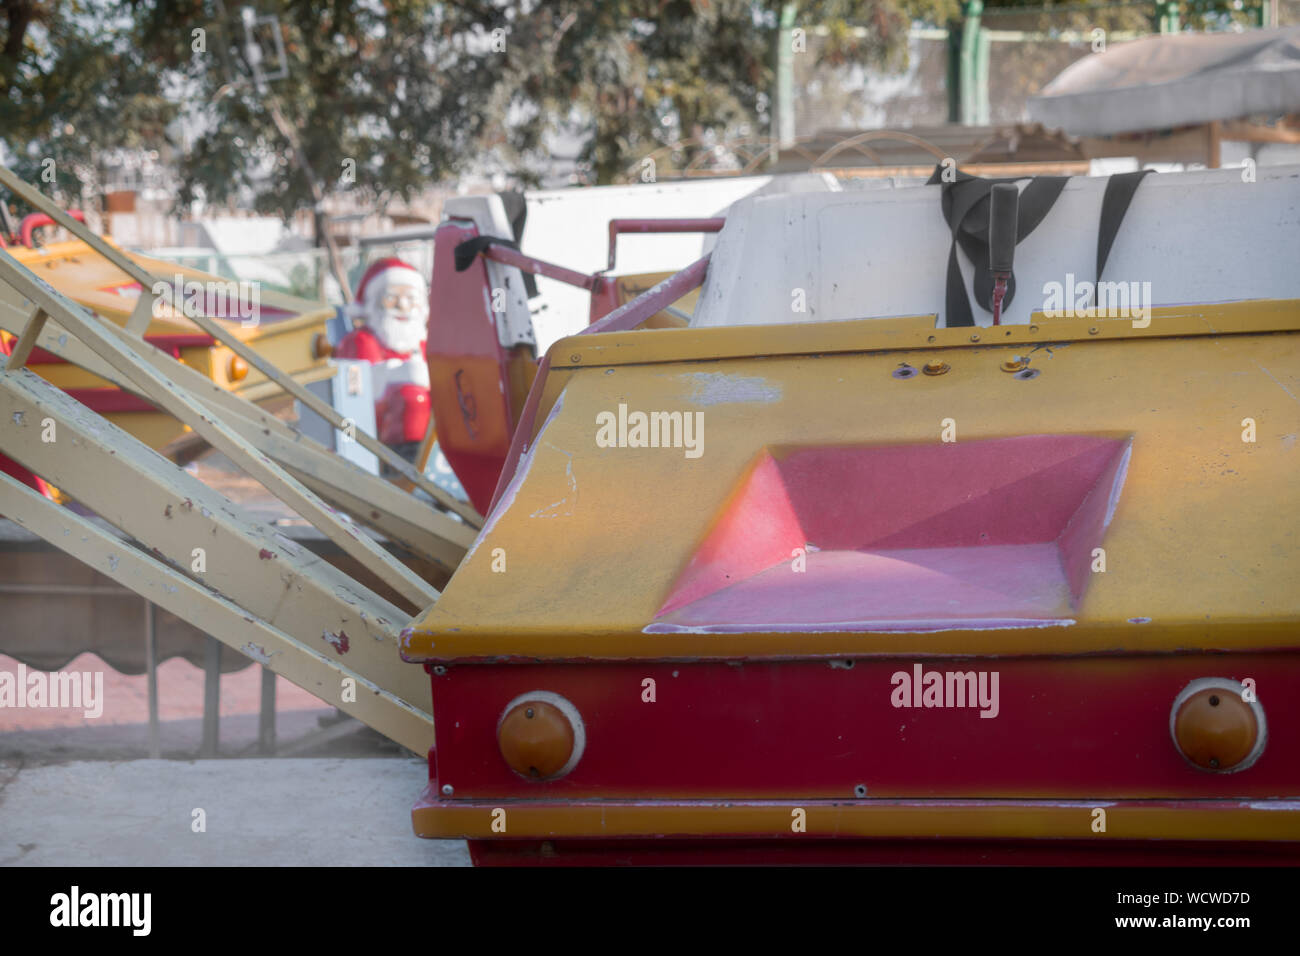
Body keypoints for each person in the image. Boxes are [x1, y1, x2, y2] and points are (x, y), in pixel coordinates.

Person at [335, 257, 431, 464]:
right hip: (374, 420)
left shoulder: (424, 342)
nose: (403, 305)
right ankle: (405, 461)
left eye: (411, 298)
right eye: (392, 298)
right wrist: (404, 374)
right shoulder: (361, 341)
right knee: (412, 396)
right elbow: (356, 390)